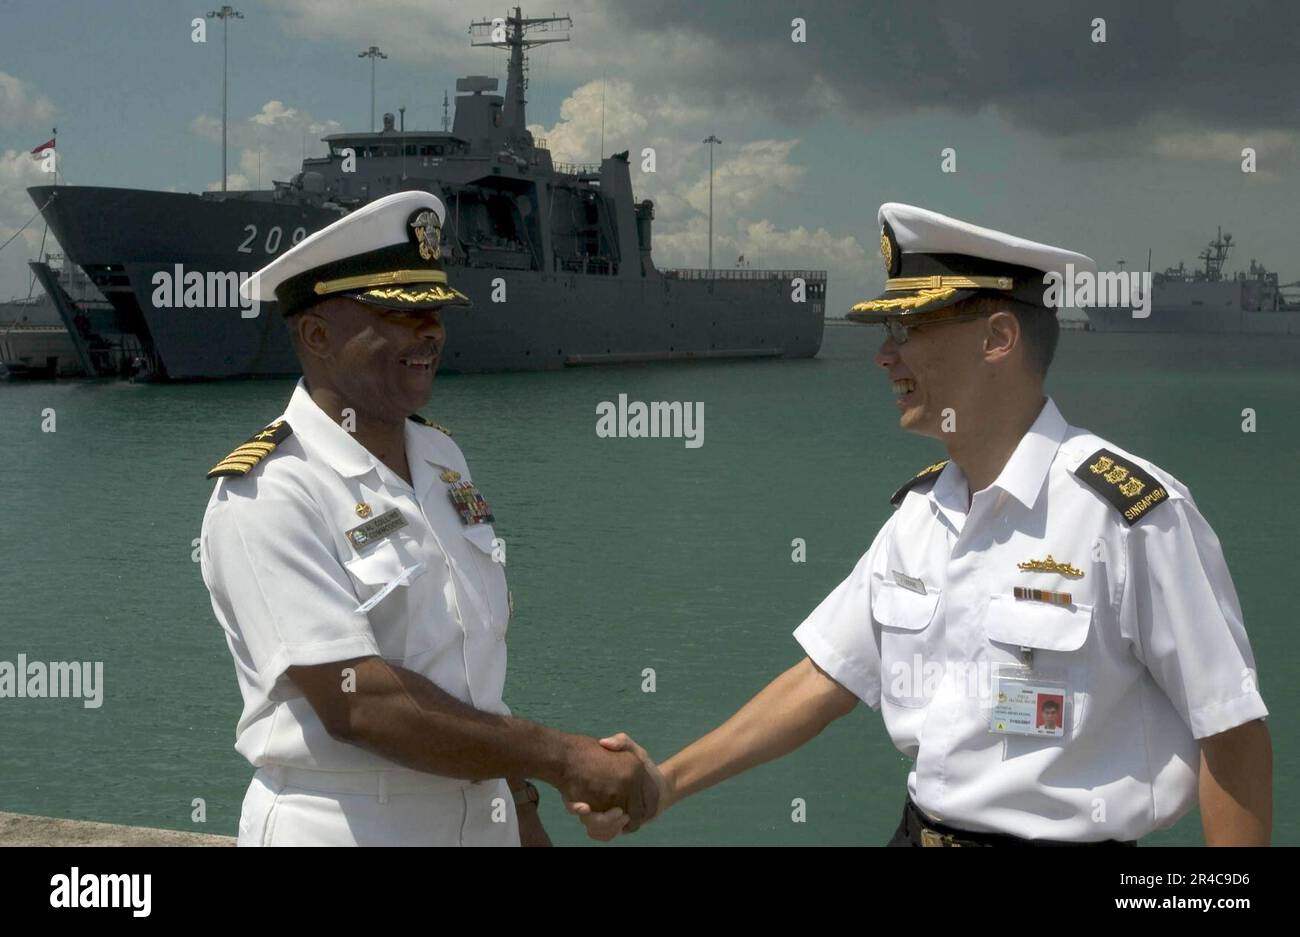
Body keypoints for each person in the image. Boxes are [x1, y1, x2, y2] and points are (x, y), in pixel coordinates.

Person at [570, 202, 1272, 846]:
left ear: (998, 337)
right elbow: (823, 680)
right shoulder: (921, 514)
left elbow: (1232, 731)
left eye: (909, 329)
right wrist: (664, 783)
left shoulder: (1132, 516)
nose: (884, 354)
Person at [200, 190, 656, 846]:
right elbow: (359, 702)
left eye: (435, 313)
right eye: (398, 314)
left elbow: (465, 674)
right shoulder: (270, 491)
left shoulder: (441, 457)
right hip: (349, 824)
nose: (429, 333)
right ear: (315, 333)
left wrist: (521, 804)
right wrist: (559, 757)